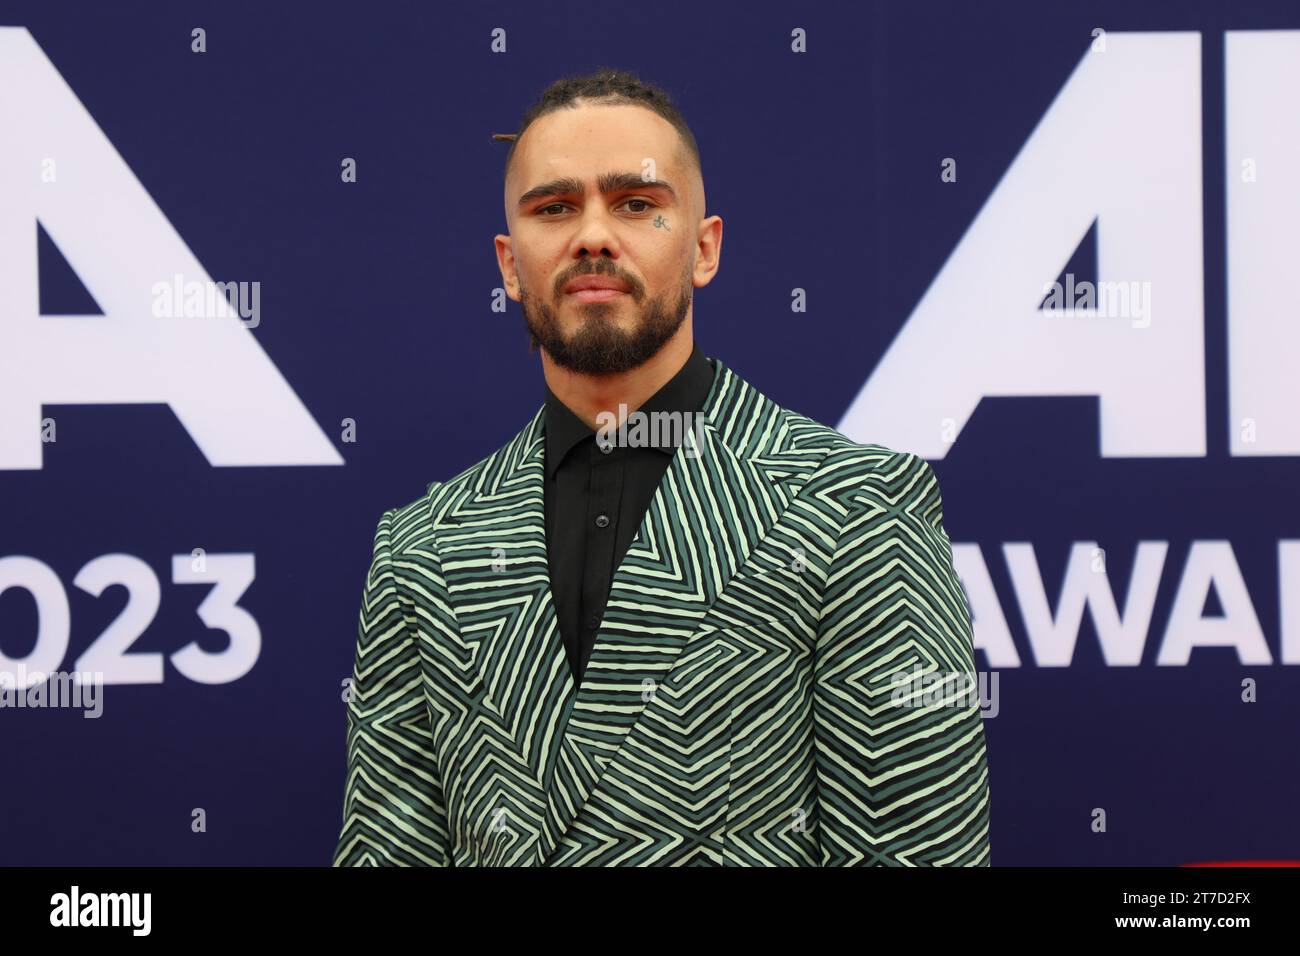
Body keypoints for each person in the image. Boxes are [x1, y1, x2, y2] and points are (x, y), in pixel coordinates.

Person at [333, 68, 990, 866]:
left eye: (637, 203)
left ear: (703, 248)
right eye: (555, 208)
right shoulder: (421, 548)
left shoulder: (858, 509)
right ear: (509, 266)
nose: (594, 236)